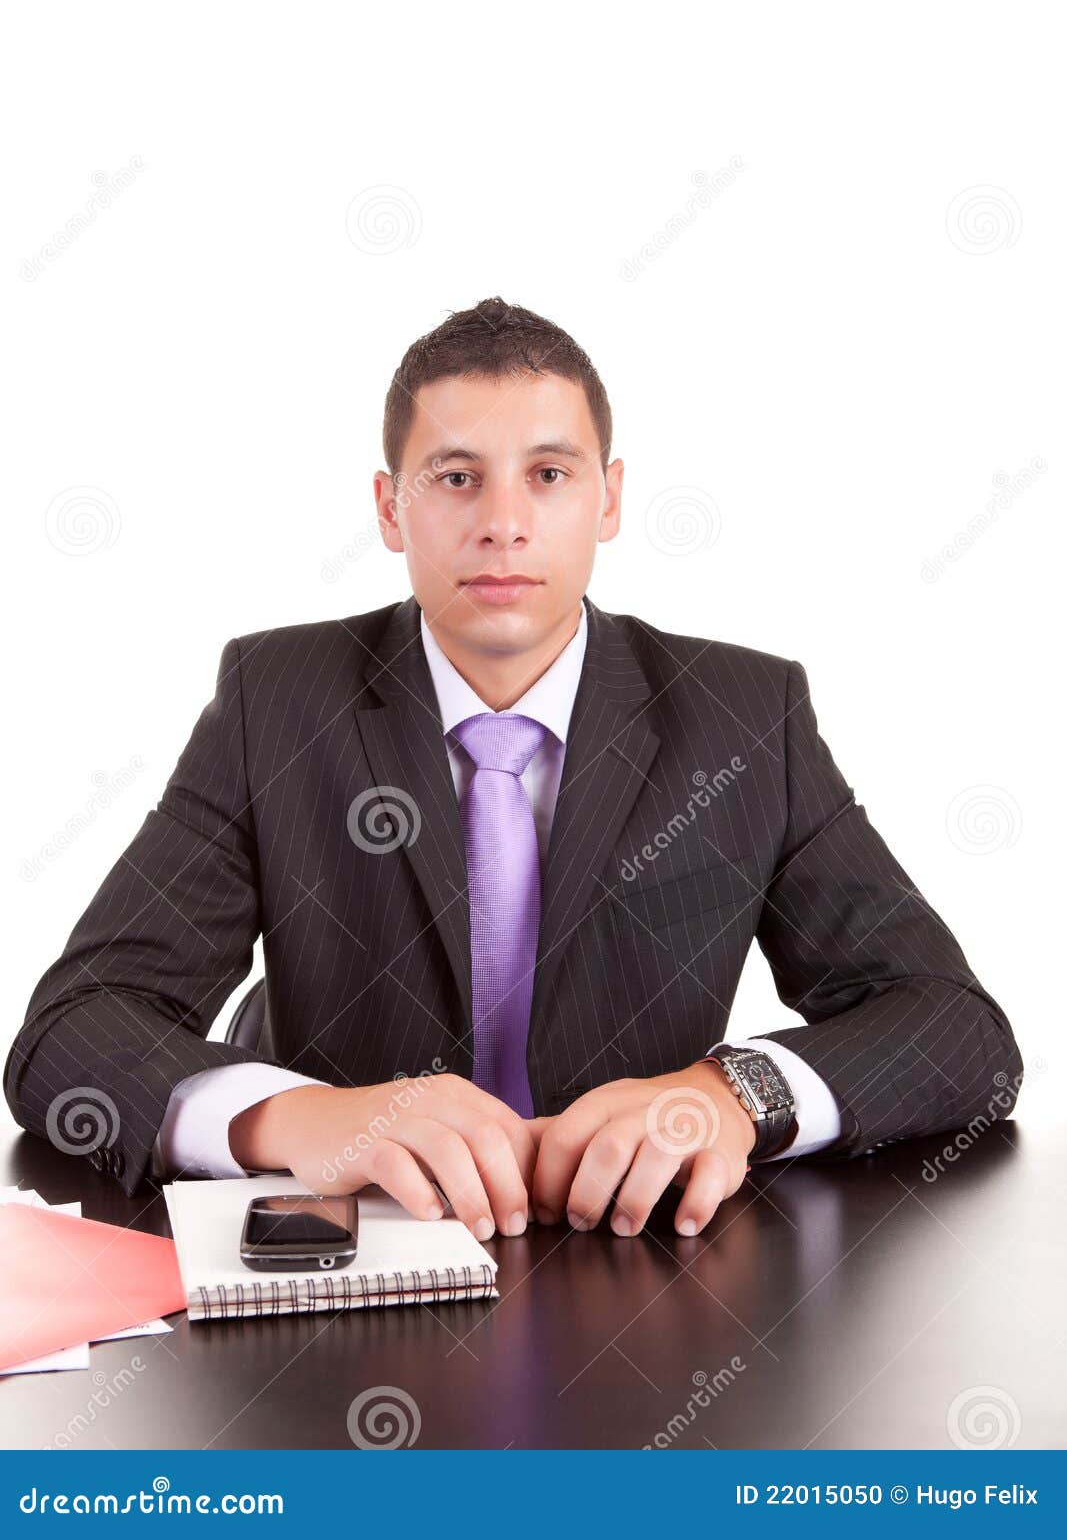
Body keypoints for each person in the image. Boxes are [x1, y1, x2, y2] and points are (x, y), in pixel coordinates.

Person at [5, 297, 1022, 1244]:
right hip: (348, 1273)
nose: (502, 521)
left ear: (608, 498)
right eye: (455, 477)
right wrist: (292, 1116)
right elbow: (74, 1028)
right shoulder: (277, 701)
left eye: (547, 473)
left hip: (636, 1267)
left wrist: (730, 1095)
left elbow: (953, 1028)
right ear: (390, 507)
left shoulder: (744, 715)